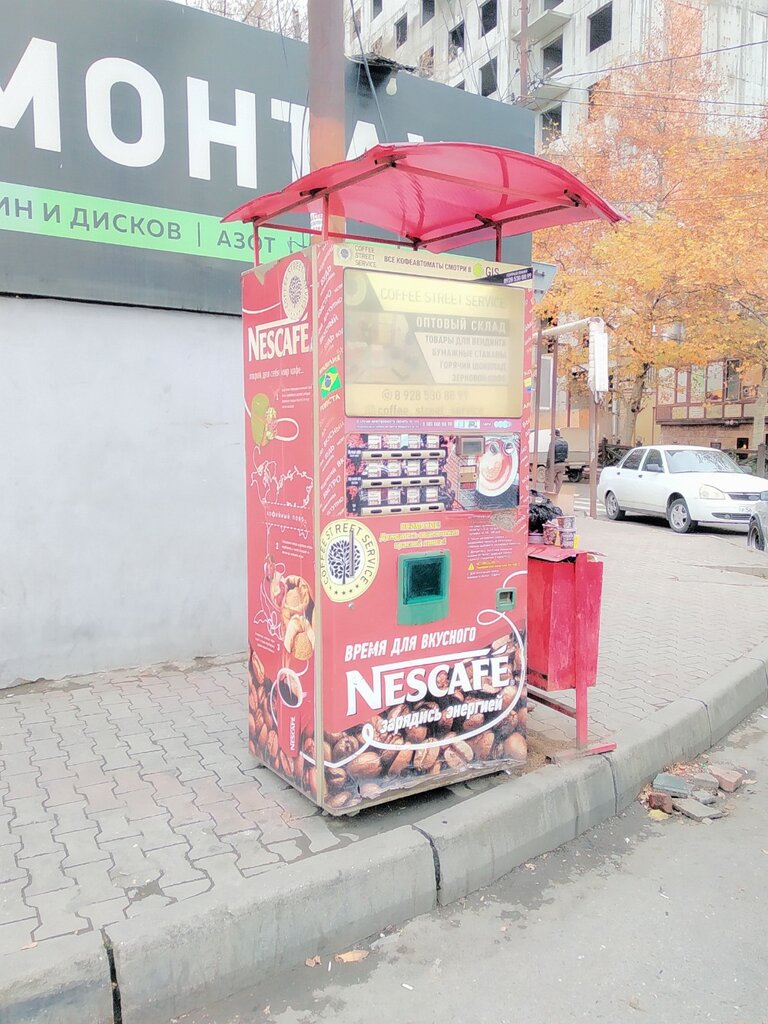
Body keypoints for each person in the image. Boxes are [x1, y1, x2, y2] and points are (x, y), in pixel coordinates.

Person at [549, 428, 569, 496]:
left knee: (550, 480)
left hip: (555, 464)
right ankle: (557, 494)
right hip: (562, 464)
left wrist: (548, 466)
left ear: (554, 435)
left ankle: (550, 496)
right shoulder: (565, 442)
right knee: (559, 481)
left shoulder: (553, 442)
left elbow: (550, 455)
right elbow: (566, 455)